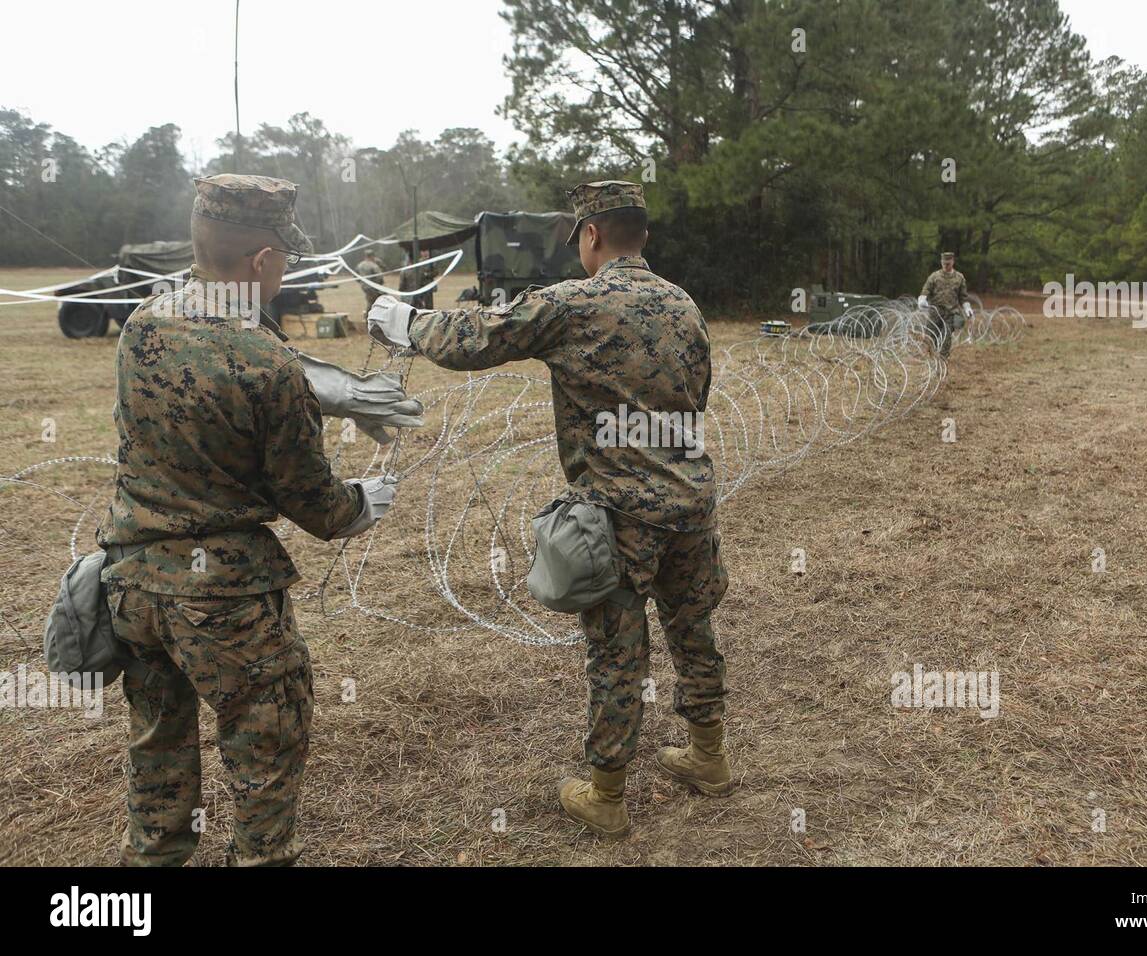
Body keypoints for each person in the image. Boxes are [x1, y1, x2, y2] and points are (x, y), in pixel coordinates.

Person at [367, 181, 732, 839]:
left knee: (619, 656)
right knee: (692, 627)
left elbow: (476, 340)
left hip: (621, 511)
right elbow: (697, 395)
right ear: (639, 235)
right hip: (691, 501)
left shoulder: (573, 304)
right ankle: (710, 758)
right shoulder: (684, 304)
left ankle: (607, 794)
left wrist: (407, 323)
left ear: (591, 236)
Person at [98, 173, 402, 866]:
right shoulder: (266, 359)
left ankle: (151, 865)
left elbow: (189, 408)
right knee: (265, 741)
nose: (286, 270)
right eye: (285, 258)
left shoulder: (145, 324)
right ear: (262, 261)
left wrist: (324, 393)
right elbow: (313, 503)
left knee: (158, 745)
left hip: (133, 583)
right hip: (222, 599)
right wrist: (364, 502)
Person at [918, 251, 974, 358]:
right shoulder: (934, 276)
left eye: (948, 263)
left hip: (950, 313)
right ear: (941, 262)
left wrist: (967, 307)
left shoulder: (959, 278)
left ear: (952, 262)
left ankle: (942, 360)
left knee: (946, 338)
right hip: (935, 312)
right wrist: (922, 298)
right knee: (930, 336)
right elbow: (926, 289)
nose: (946, 265)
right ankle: (930, 358)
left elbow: (963, 297)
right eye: (944, 263)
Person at [356, 248, 385, 313]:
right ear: (372, 256)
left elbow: (355, 276)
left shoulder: (360, 265)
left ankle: (369, 316)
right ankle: (369, 317)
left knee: (370, 301)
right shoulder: (374, 265)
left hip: (364, 287)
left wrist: (361, 282)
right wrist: (379, 286)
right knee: (373, 303)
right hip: (373, 288)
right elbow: (380, 278)